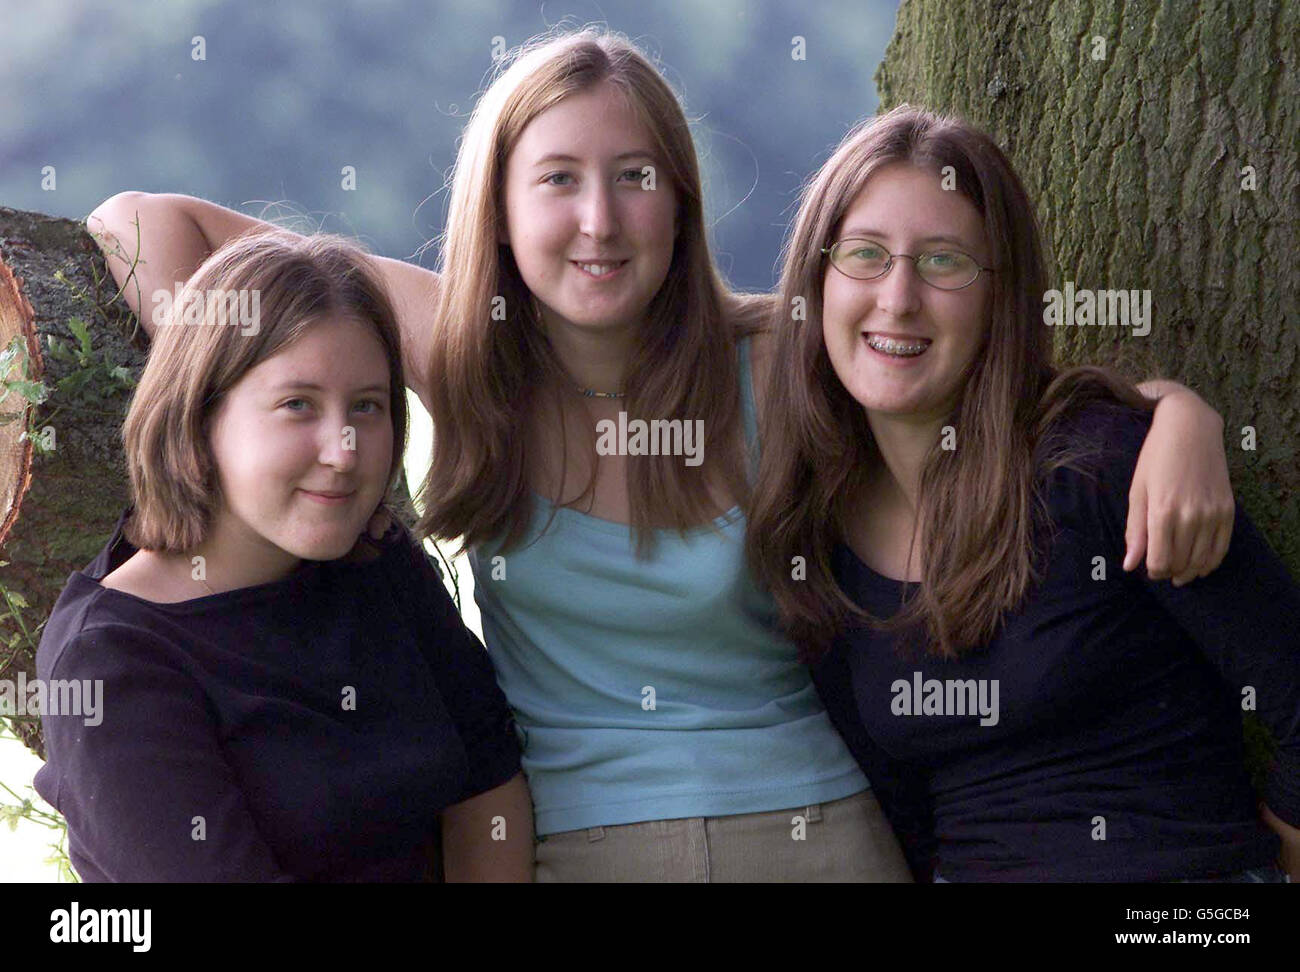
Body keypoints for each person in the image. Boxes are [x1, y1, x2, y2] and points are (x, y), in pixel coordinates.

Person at [86, 28, 1236, 882]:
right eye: (558, 180)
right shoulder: (455, 345)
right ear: (498, 203)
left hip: (820, 830)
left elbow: (989, 382)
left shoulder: (778, 359)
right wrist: (222, 396)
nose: (600, 220)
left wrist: (1176, 415)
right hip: (579, 847)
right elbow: (141, 219)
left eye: (635, 179)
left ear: (681, 207)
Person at [747, 104, 1300, 883]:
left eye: (944, 262)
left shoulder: (1100, 469)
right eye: (865, 255)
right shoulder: (821, 543)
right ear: (817, 280)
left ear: (1002, 298)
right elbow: (904, 812)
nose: (898, 298)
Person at [34, 232, 531, 882]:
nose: (344, 449)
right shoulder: (110, 663)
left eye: (367, 407)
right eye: (298, 405)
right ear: (200, 412)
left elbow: (488, 783)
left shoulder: (377, 565)